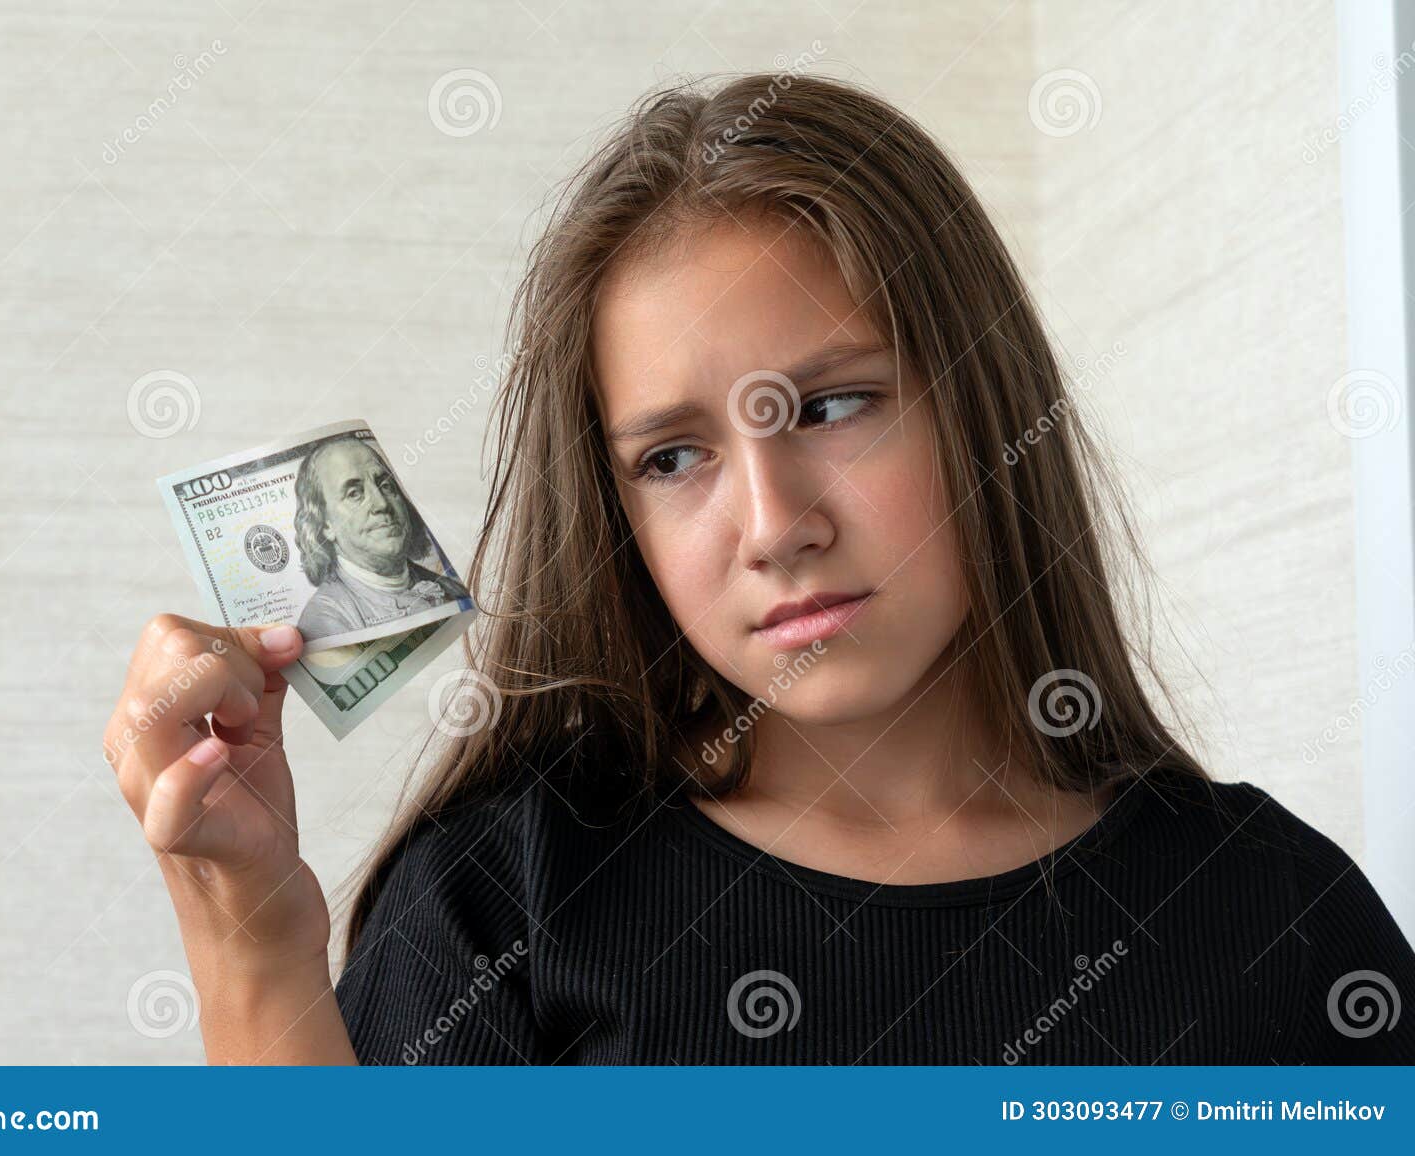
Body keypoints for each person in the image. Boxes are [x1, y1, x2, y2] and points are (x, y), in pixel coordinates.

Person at [102, 73, 1415, 1064]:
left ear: (983, 409)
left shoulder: (1276, 911)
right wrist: (251, 933)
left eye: (835, 407)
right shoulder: (504, 900)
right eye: (673, 458)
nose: (773, 522)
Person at [291, 435, 467, 641]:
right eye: (354, 493)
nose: (382, 504)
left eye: (385, 486)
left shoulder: (452, 589)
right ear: (325, 524)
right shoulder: (327, 620)